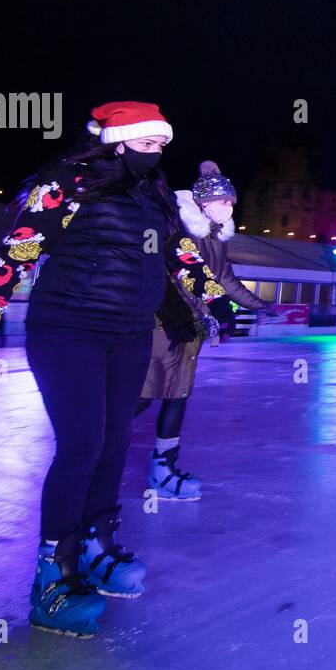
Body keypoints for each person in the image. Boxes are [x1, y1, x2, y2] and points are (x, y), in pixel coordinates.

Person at [0, 102, 241, 639]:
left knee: (112, 441)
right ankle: (53, 579)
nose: (158, 155)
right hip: (68, 331)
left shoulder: (150, 196)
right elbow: (20, 248)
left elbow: (179, 254)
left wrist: (217, 301)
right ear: (121, 141)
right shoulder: (68, 182)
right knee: (81, 445)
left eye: (162, 146)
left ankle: (98, 548)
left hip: (128, 334)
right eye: (150, 144)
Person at [136, 161, 269, 501]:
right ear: (204, 202)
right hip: (165, 323)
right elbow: (173, 273)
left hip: (193, 324)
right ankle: (95, 446)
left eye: (231, 202)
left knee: (178, 394)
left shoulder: (216, 237)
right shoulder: (176, 227)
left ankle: (164, 464)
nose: (229, 207)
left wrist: (259, 305)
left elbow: (224, 279)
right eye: (223, 201)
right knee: (144, 393)